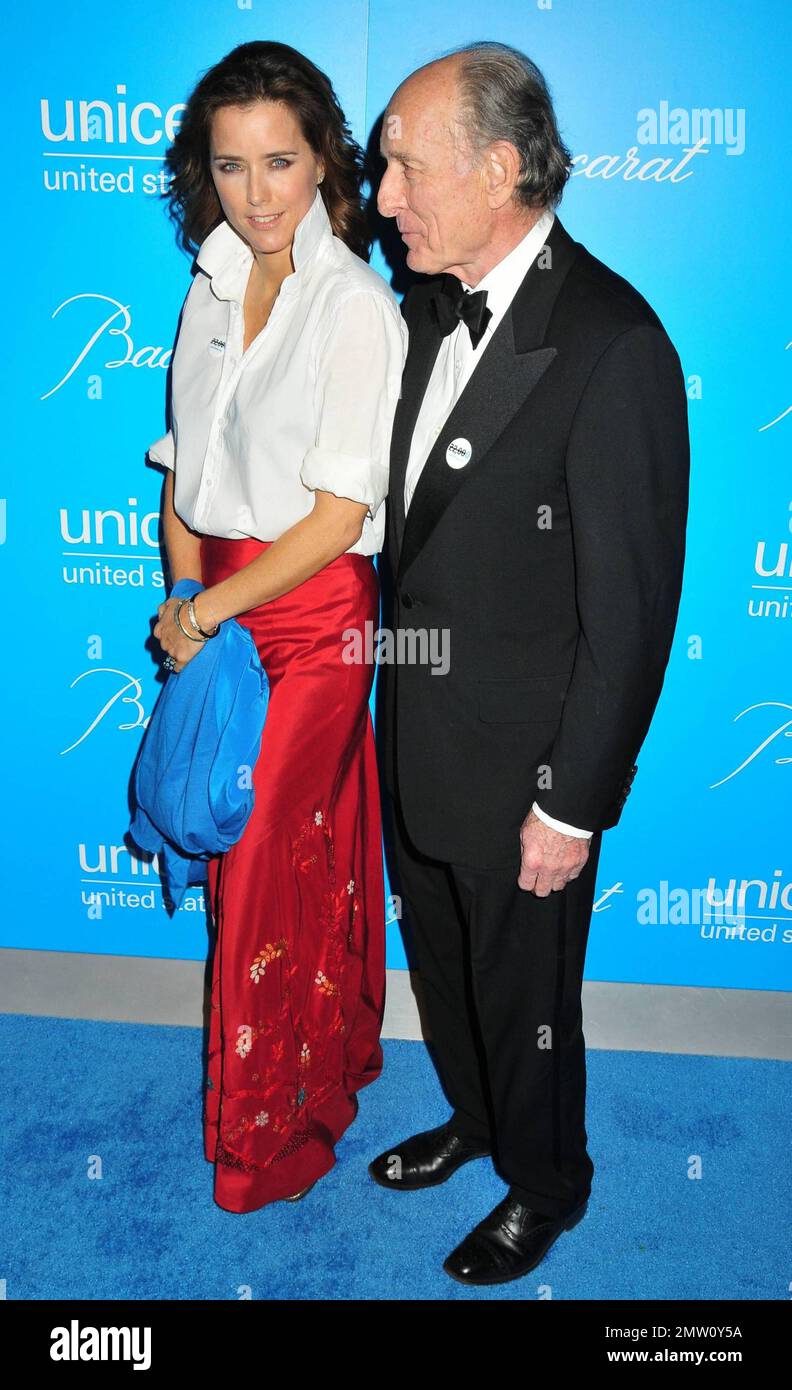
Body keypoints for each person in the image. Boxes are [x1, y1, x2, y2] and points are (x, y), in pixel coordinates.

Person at [371, 41, 690, 1284]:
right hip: (421, 744)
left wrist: (571, 803)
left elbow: (633, 614)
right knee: (445, 968)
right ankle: (477, 1117)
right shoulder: (421, 306)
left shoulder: (614, 344)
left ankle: (548, 1177)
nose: (383, 194)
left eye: (406, 166)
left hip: (525, 775)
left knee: (529, 997)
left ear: (499, 168)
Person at [145, 40, 408, 1212]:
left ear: (323, 164)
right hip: (223, 607)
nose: (258, 193)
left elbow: (340, 517)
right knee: (299, 857)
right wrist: (182, 597)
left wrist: (206, 607)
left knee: (256, 864)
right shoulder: (204, 288)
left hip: (314, 618)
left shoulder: (355, 306)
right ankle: (336, 1050)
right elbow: (183, 477)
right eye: (233, 165)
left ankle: (272, 1137)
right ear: (206, 171)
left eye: (282, 162)